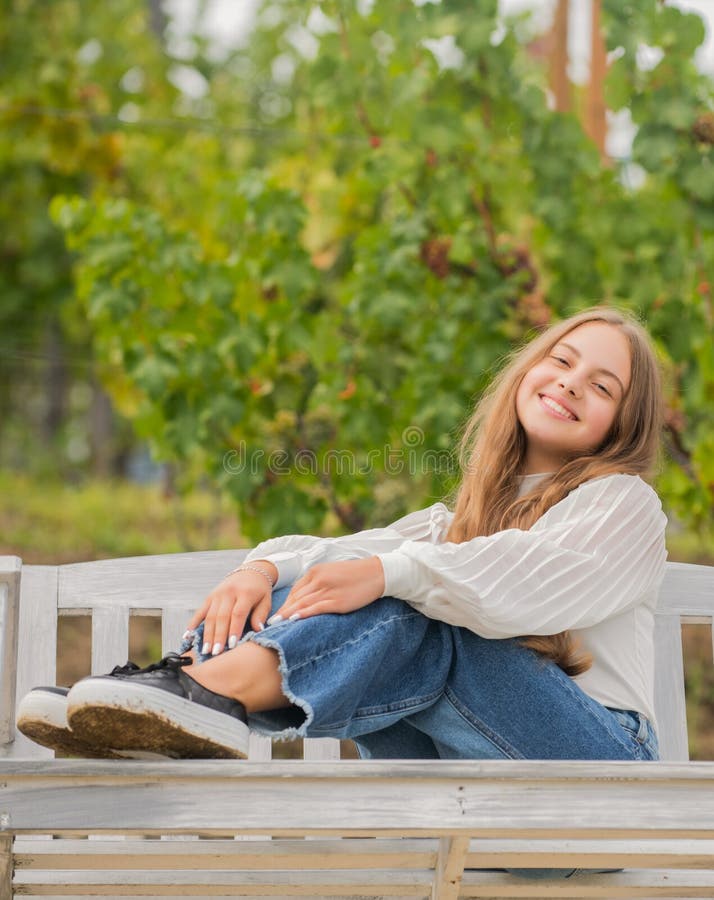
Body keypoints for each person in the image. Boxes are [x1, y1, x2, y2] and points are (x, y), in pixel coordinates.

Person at [18, 306, 666, 772]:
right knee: (388, 581)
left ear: (620, 427)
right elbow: (351, 555)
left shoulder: (625, 507)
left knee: (419, 602)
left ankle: (208, 696)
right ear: (528, 369)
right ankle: (179, 694)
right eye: (561, 359)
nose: (572, 382)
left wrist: (394, 575)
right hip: (477, 777)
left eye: (602, 386)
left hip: (598, 765)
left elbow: (517, 578)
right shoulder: (459, 523)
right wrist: (265, 569)